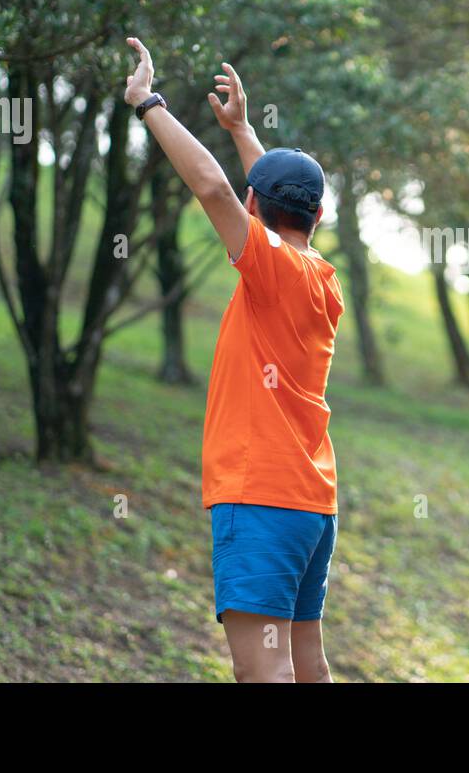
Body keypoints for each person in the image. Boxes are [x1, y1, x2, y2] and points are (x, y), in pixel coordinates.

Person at [122, 37, 344, 683]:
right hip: (310, 504)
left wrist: (148, 103)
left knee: (264, 672)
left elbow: (215, 188)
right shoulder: (322, 279)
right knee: (308, 665)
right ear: (320, 213)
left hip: (261, 496)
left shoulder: (271, 269)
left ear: (254, 210)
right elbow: (255, 197)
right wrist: (243, 129)